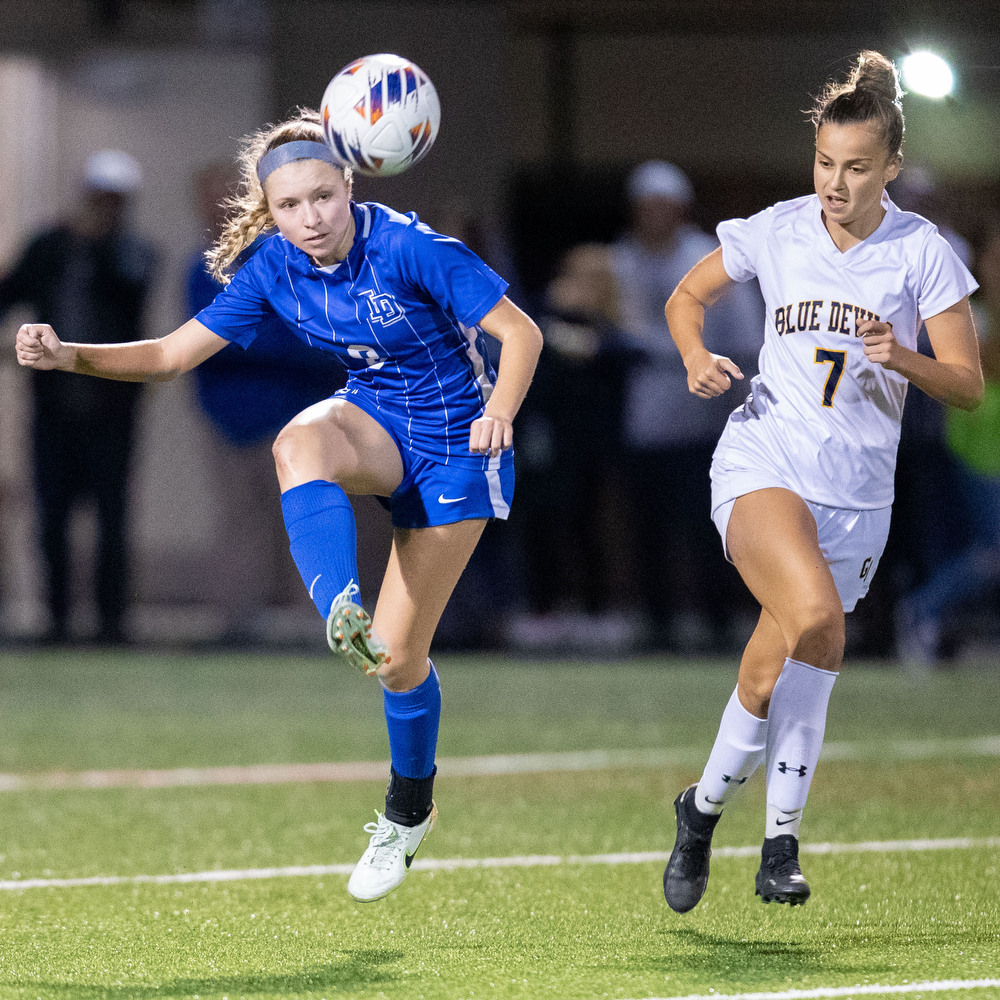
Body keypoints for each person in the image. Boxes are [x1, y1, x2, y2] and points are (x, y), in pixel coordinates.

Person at [16, 109, 543, 902]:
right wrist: (68, 356)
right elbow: (167, 356)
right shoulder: (271, 267)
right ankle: (338, 604)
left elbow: (521, 332)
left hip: (455, 449)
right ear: (270, 210)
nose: (312, 218)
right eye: (291, 205)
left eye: (324, 197)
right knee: (297, 443)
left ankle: (409, 810)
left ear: (350, 185)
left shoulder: (410, 247)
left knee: (399, 664)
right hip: (373, 418)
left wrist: (499, 409)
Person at [659, 51, 982, 912]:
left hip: (859, 499)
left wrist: (903, 356)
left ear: (892, 169)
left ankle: (701, 811)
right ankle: (783, 843)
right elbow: (685, 298)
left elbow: (969, 386)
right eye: (824, 163)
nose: (834, 183)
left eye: (856, 168)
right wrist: (695, 355)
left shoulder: (925, 252)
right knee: (814, 618)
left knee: (782, 668)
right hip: (765, 461)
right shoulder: (781, 227)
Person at [0, 150, 156, 644]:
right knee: (52, 518)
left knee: (112, 518)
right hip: (53, 408)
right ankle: (58, 620)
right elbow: (9, 294)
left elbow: (129, 294)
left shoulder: (133, 252)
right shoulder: (48, 246)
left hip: (112, 410)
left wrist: (96, 247)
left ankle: (112, 623)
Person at [185, 162, 345, 644]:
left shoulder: (291, 258)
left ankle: (321, 622)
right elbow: (215, 342)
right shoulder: (203, 268)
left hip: (297, 414)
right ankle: (236, 622)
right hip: (233, 419)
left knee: (309, 516)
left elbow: (316, 334)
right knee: (241, 522)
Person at [611, 161, 762, 651]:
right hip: (644, 418)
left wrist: (744, 409)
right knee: (648, 528)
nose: (655, 217)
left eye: (663, 207)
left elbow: (745, 339)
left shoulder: (708, 258)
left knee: (708, 528)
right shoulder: (618, 261)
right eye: (646, 208)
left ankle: (718, 621)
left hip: (705, 417)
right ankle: (657, 622)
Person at [896, 223, 1000, 666]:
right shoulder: (974, 315)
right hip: (980, 440)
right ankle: (924, 608)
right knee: (993, 550)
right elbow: (986, 367)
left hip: (984, 437)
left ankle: (933, 612)